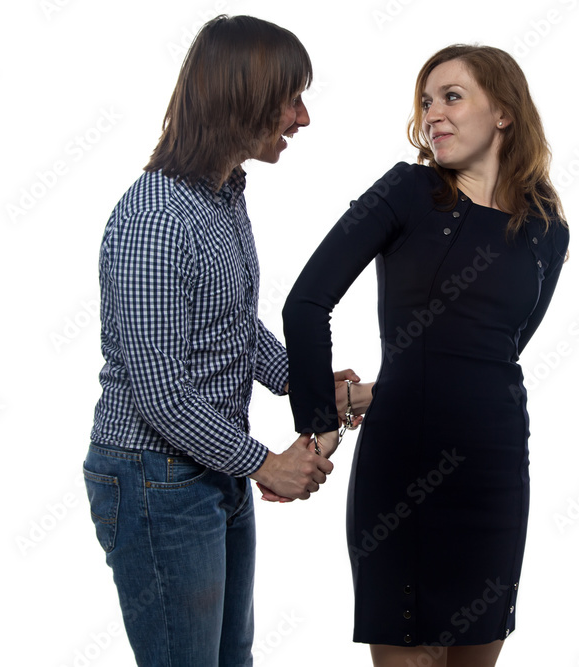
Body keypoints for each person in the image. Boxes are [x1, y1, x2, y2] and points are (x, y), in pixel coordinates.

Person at [280, 44, 570, 666]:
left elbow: (487, 358)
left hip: (494, 475)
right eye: (426, 101)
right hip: (403, 475)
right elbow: (305, 304)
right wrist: (320, 426)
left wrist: (368, 394)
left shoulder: (548, 228)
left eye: (452, 97)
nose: (433, 114)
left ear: (504, 112)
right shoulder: (408, 191)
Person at [81, 15, 355, 667]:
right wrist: (267, 461)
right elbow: (161, 396)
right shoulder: (154, 219)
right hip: (156, 478)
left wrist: (312, 383)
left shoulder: (222, 195)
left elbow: (230, 327)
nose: (303, 117)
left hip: (211, 469)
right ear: (244, 99)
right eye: (292, 98)